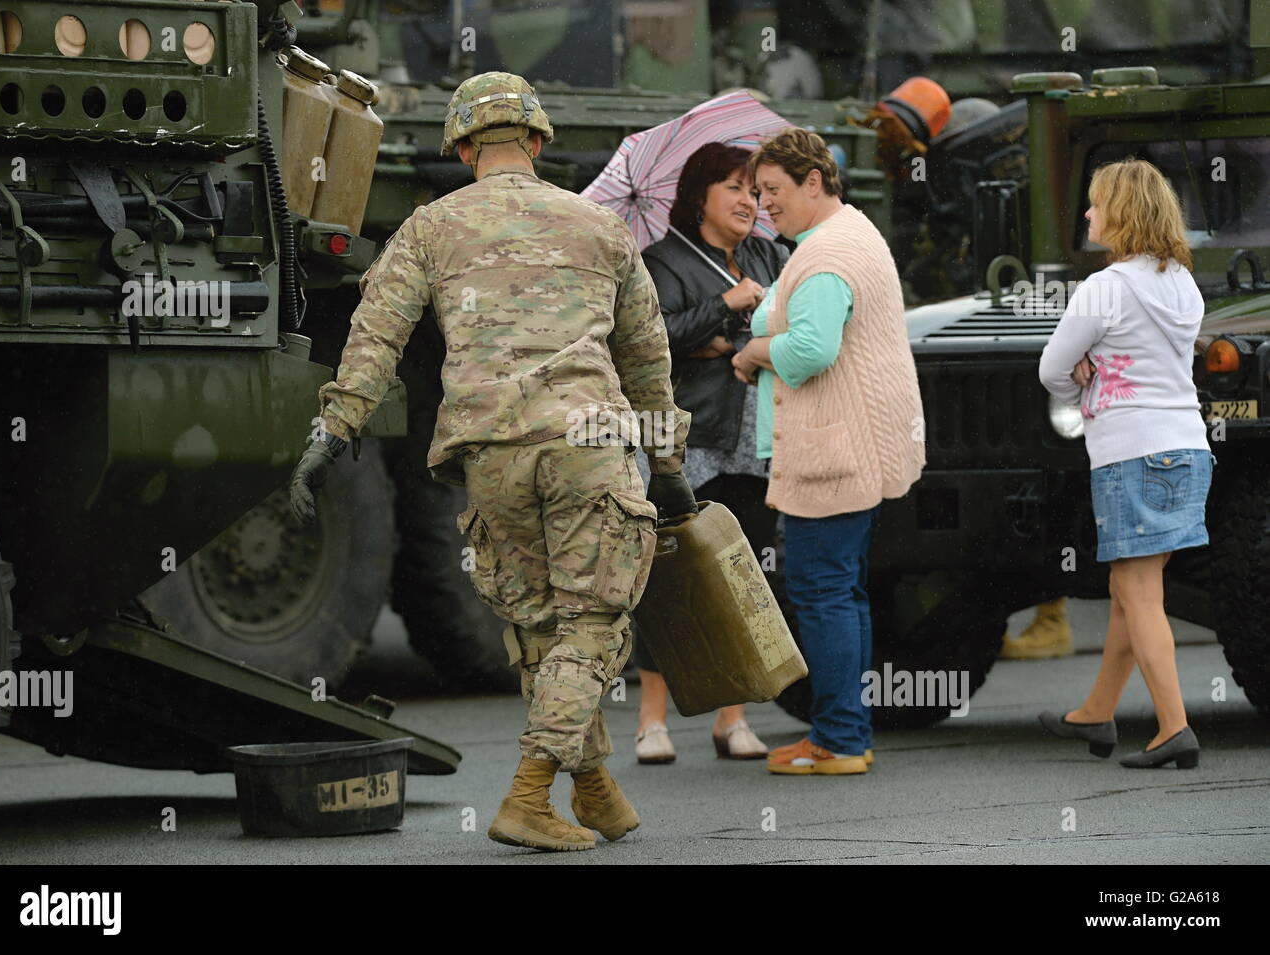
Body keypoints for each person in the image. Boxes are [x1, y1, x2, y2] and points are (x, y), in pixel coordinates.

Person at [288, 72, 695, 849]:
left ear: (463, 147)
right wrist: (667, 465)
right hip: (587, 445)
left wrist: (332, 432)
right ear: (538, 141)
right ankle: (529, 795)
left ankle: (596, 787)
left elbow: (375, 339)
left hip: (489, 452)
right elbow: (647, 357)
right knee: (593, 625)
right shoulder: (599, 226)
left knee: (540, 627)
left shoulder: (428, 228)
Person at [731, 128, 925, 776]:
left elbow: (811, 349)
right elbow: (787, 311)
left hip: (830, 455)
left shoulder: (823, 257)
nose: (765, 205)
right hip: (856, 449)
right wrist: (767, 318)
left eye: (774, 190)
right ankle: (848, 731)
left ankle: (838, 739)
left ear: (814, 182)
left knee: (820, 592)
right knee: (843, 591)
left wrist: (757, 351)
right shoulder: (846, 237)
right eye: (759, 193)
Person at [1036, 158, 1212, 769]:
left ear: (1123, 212)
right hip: (1187, 449)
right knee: (1128, 589)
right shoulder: (1183, 283)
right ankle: (1096, 711)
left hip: (1131, 453)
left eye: (1096, 202)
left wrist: (1082, 378)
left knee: (1139, 595)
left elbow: (1051, 368)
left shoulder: (1105, 287)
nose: (1087, 213)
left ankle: (1173, 729)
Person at [633, 142, 790, 763]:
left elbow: (792, 325)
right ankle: (651, 722)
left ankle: (733, 718)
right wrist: (723, 308)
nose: (750, 201)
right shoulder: (661, 260)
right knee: (668, 573)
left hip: (755, 439)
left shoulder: (772, 254)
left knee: (744, 575)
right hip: (687, 439)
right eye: (735, 187)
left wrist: (736, 335)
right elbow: (650, 338)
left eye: (755, 191)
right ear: (700, 196)